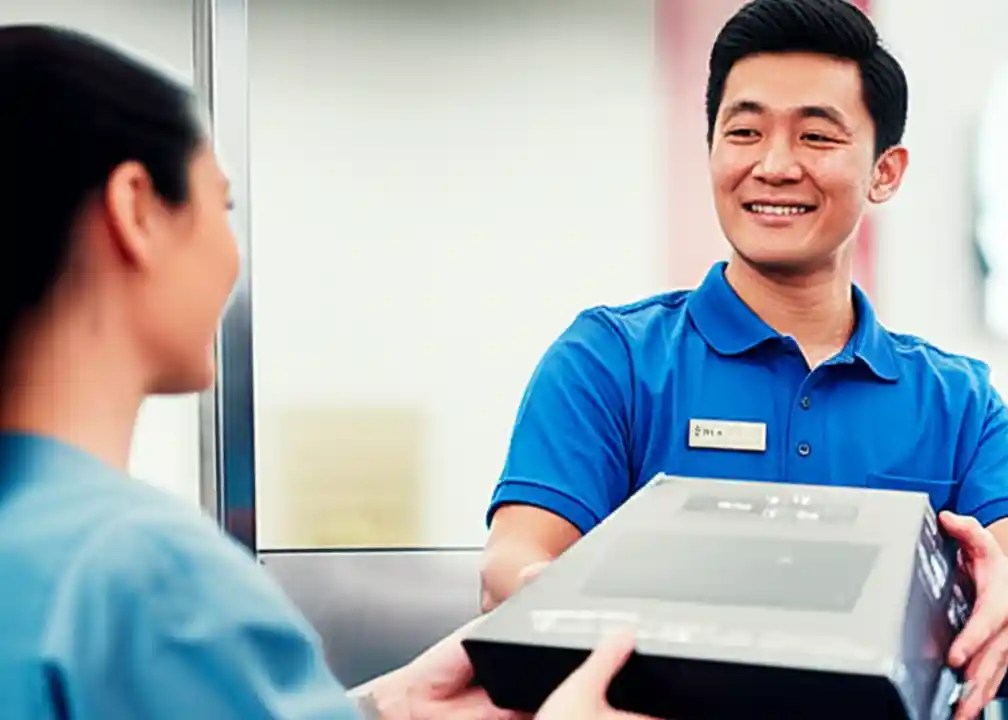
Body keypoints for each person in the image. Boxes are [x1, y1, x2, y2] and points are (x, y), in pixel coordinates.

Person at [0, 25, 654, 720]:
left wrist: (384, 709)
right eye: (221, 207)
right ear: (136, 210)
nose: (233, 257)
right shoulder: (144, 576)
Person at [482, 0, 1008, 717]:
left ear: (885, 172)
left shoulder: (957, 400)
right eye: (744, 131)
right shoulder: (610, 362)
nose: (774, 165)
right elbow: (508, 575)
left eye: (816, 136)